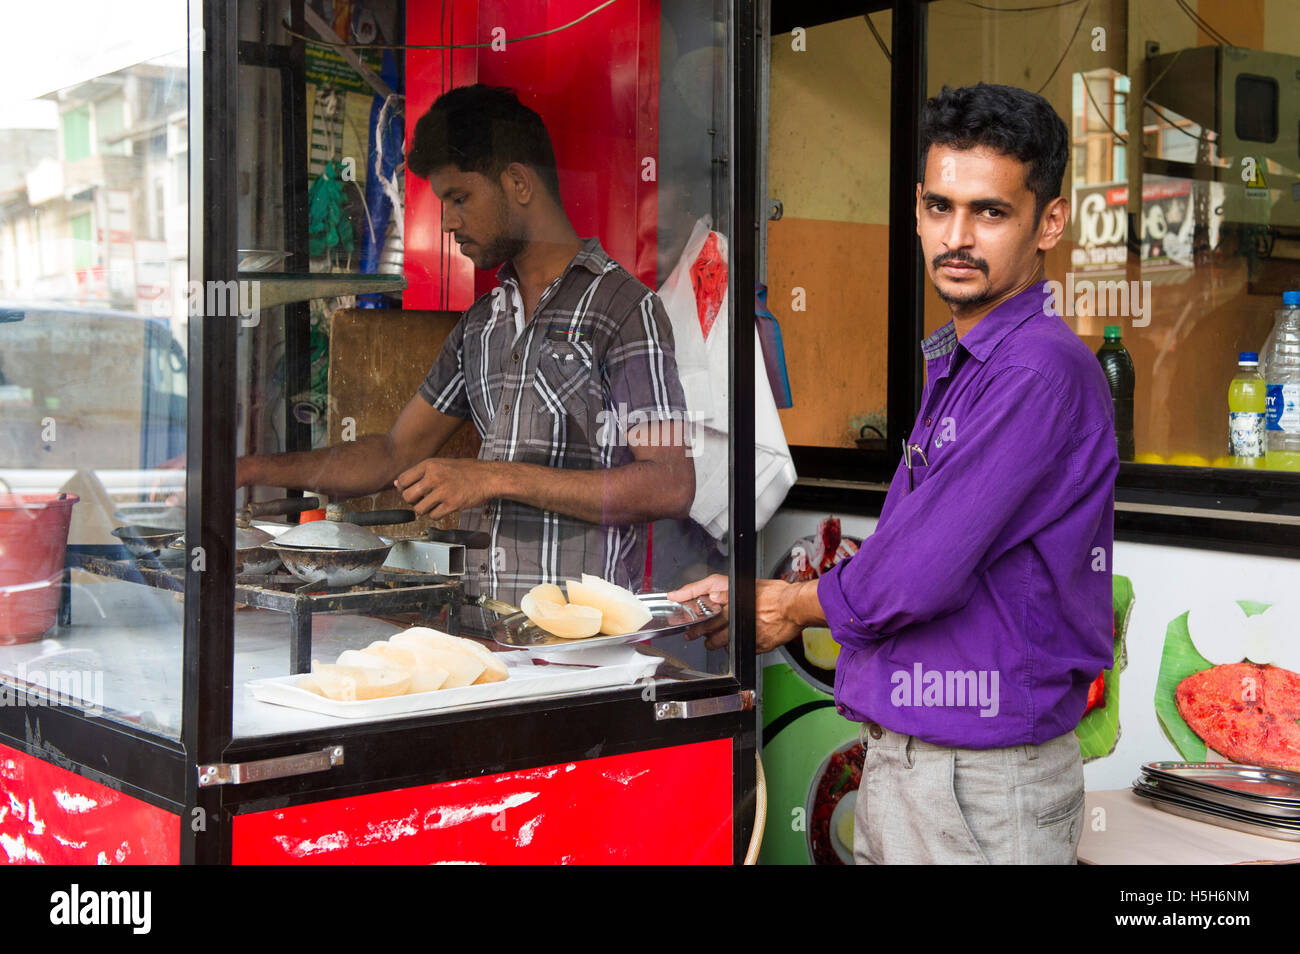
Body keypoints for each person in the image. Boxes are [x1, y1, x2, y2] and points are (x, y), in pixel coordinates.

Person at [670, 83, 1117, 864]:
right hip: (922, 769)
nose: (958, 236)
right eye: (940, 207)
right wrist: (779, 600)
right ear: (914, 209)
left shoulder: (1038, 370)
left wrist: (790, 602)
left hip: (979, 783)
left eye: (990, 212)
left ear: (1050, 221)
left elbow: (918, 573)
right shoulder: (967, 360)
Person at [238, 85, 694, 605]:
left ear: (518, 183)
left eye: (460, 198)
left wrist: (492, 477)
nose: (449, 221)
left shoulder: (624, 308)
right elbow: (390, 453)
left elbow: (670, 484)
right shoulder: (482, 323)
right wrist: (250, 470)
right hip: (485, 631)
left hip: (583, 648)